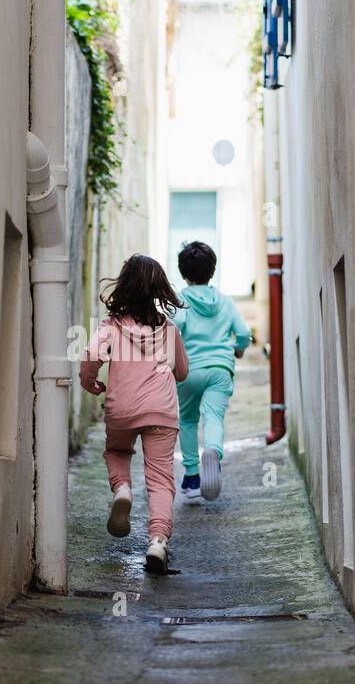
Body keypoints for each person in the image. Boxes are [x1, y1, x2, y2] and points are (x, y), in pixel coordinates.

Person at [79, 255, 189, 575]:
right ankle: (157, 541)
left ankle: (122, 489)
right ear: (159, 289)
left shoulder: (111, 326)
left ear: (124, 285)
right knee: (160, 480)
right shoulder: (168, 330)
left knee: (116, 450)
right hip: (161, 411)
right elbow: (182, 372)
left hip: (121, 409)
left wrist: (91, 382)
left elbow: (90, 356)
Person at [171, 240, 251, 502]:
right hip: (220, 368)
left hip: (190, 370)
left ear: (183, 273)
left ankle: (193, 477)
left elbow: (175, 327)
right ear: (212, 270)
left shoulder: (181, 299)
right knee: (214, 416)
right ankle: (213, 454)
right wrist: (238, 349)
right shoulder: (225, 302)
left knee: (188, 420)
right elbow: (243, 333)